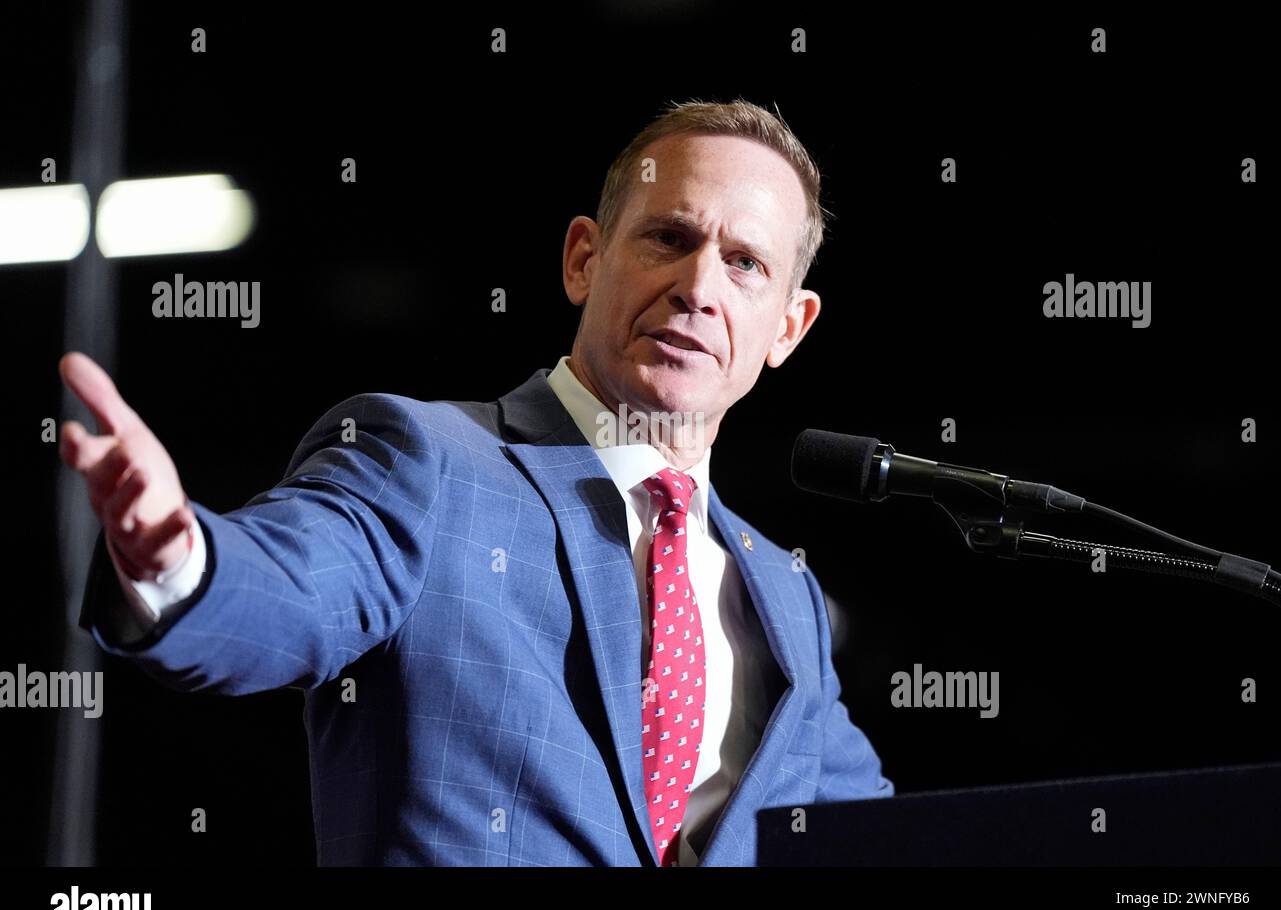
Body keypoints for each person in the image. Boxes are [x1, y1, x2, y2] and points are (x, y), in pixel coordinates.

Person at [60, 98, 894, 867]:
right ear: (583, 259)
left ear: (789, 326)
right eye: (670, 238)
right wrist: (179, 556)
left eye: (745, 263)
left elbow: (897, 841)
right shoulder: (427, 462)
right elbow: (289, 589)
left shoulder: (788, 602)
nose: (699, 288)